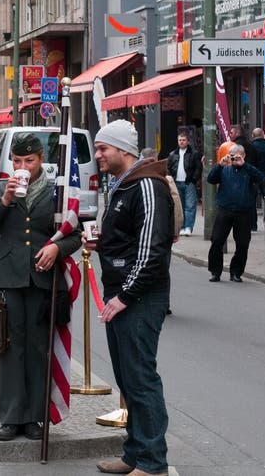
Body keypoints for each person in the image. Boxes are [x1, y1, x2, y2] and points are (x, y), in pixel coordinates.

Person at [0, 133, 81, 442]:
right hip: (6, 277)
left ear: (40, 161)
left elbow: (74, 234)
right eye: (17, 161)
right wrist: (5, 201)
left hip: (42, 278)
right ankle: (10, 418)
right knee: (8, 347)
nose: (22, 166)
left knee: (37, 348)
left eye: (28, 161)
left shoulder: (55, 193)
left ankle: (33, 416)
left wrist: (57, 250)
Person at [90, 119, 172, 476]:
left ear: (123, 149)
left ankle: (153, 462)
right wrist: (101, 243)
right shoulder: (124, 185)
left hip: (138, 297)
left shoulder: (148, 186)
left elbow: (152, 251)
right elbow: (128, 239)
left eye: (103, 148)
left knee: (140, 378)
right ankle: (135, 453)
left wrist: (124, 295)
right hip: (123, 292)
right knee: (127, 378)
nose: (98, 155)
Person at [206, 143, 265, 282]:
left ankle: (236, 272)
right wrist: (220, 165)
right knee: (216, 241)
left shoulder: (248, 169)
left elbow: (261, 178)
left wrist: (244, 164)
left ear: (243, 156)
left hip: (243, 212)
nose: (234, 159)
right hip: (224, 210)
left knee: (242, 243)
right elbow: (210, 179)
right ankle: (215, 271)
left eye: (237, 156)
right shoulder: (224, 168)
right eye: (231, 156)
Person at [166, 132, 202, 236]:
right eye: (180, 140)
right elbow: (168, 168)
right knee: (179, 206)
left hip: (189, 183)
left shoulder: (194, 153)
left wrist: (193, 179)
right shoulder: (172, 154)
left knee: (190, 206)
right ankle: (181, 227)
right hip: (176, 183)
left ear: (188, 141)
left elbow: (198, 168)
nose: (181, 142)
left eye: (183, 140)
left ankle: (188, 227)